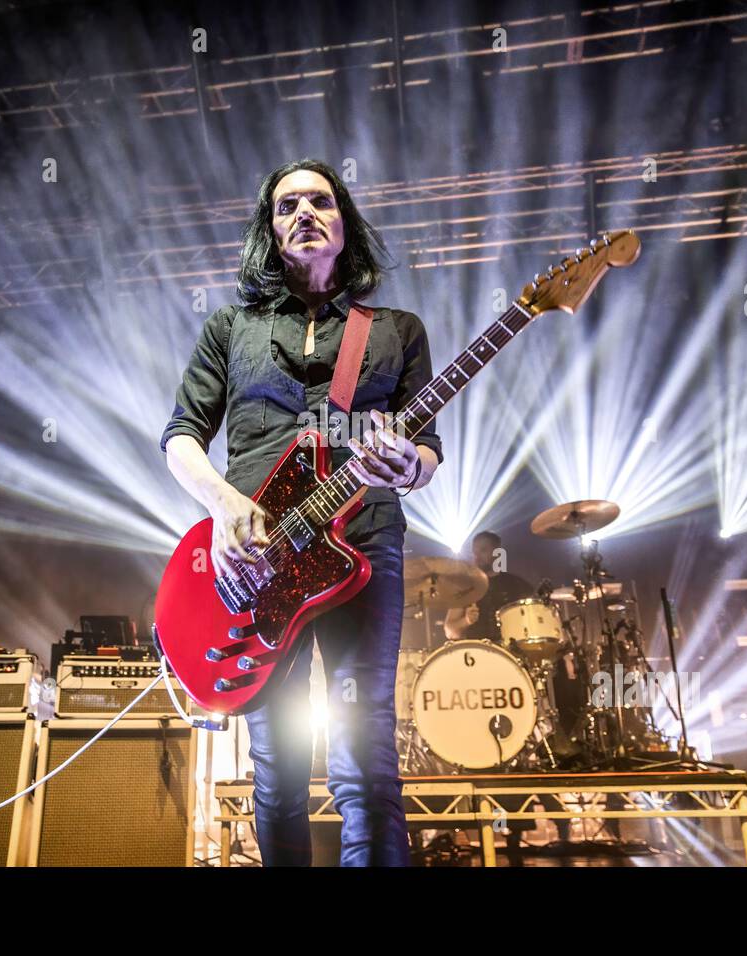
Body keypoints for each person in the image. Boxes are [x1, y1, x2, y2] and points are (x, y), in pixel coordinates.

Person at [161, 159, 443, 866]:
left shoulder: (397, 330)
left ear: (345, 223)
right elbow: (180, 438)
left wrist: (407, 465)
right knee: (278, 769)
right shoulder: (231, 328)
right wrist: (225, 509)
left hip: (363, 542)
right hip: (256, 561)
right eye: (288, 205)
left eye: (321, 200)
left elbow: (428, 451)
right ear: (271, 228)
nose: (305, 212)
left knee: (364, 754)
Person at [442, 531, 533, 643]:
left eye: (483, 550)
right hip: (476, 655)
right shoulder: (465, 587)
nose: (477, 556)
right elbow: (449, 631)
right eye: (474, 552)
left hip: (512, 654)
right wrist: (466, 620)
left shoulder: (517, 585)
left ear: (497, 552)